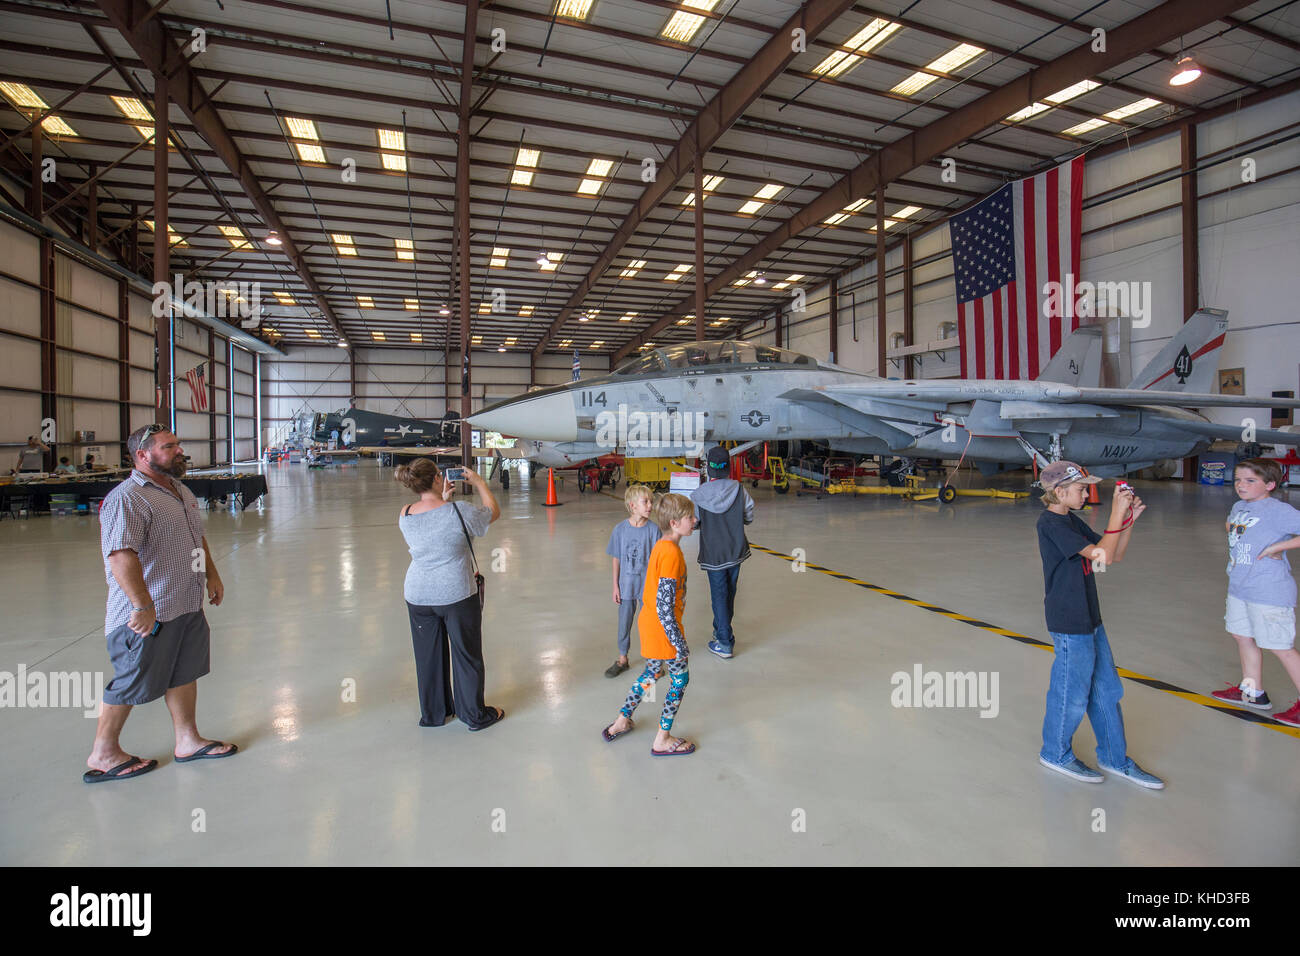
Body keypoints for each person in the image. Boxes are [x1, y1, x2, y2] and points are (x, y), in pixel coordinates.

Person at [84, 424, 236, 784]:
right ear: (142, 455)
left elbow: (194, 536)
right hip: (148, 613)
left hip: (185, 602)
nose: (178, 450)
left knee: (184, 673)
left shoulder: (179, 490)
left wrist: (210, 574)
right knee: (132, 678)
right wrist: (142, 605)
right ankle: (103, 752)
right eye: (169, 446)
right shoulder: (128, 498)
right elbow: (121, 556)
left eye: (178, 444)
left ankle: (187, 740)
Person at [1035, 461, 1163, 789]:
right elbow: (1102, 557)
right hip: (1069, 621)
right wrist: (1116, 513)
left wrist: (1128, 519)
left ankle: (1113, 757)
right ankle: (1055, 753)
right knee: (1071, 693)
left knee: (1106, 690)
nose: (1086, 492)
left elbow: (1112, 555)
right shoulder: (1051, 523)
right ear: (1059, 492)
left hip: (1090, 618)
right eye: (1080, 488)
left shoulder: (1071, 520)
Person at [397, 459, 504, 731]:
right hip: (455, 593)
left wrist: (442, 499)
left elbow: (431, 527)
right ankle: (474, 714)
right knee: (466, 655)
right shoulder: (460, 511)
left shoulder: (406, 513)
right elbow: (493, 512)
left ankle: (434, 713)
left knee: (427, 656)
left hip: (418, 594)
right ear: (436, 478)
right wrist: (479, 482)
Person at [602, 493, 697, 755]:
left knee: (652, 673)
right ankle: (662, 738)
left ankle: (622, 720)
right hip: (664, 629)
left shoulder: (662, 544)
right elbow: (665, 606)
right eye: (690, 517)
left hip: (650, 623)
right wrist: (679, 644)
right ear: (676, 523)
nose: (694, 520)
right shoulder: (672, 555)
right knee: (680, 679)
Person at [1210, 459, 1300, 727]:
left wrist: (1277, 547)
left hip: (1269, 591)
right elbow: (1233, 527)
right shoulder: (1239, 507)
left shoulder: (1278, 510)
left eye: (1250, 481)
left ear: (1270, 485)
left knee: (1279, 646)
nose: (1241, 485)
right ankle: (1253, 692)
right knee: (1242, 636)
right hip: (1240, 586)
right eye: (1238, 479)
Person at [690, 445, 754, 659]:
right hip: (735, 550)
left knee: (718, 594)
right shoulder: (739, 489)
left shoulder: (699, 494)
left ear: (709, 468)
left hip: (713, 552)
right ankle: (721, 630)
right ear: (728, 467)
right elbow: (749, 514)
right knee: (729, 592)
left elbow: (695, 522)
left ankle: (725, 642)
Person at [604, 484, 661, 677]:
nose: (650, 505)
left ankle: (653, 662)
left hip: (648, 587)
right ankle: (622, 659)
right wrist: (615, 586)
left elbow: (658, 562)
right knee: (624, 622)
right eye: (645, 501)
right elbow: (616, 558)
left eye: (651, 501)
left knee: (649, 624)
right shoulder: (620, 530)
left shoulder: (654, 531)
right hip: (626, 586)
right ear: (632, 506)